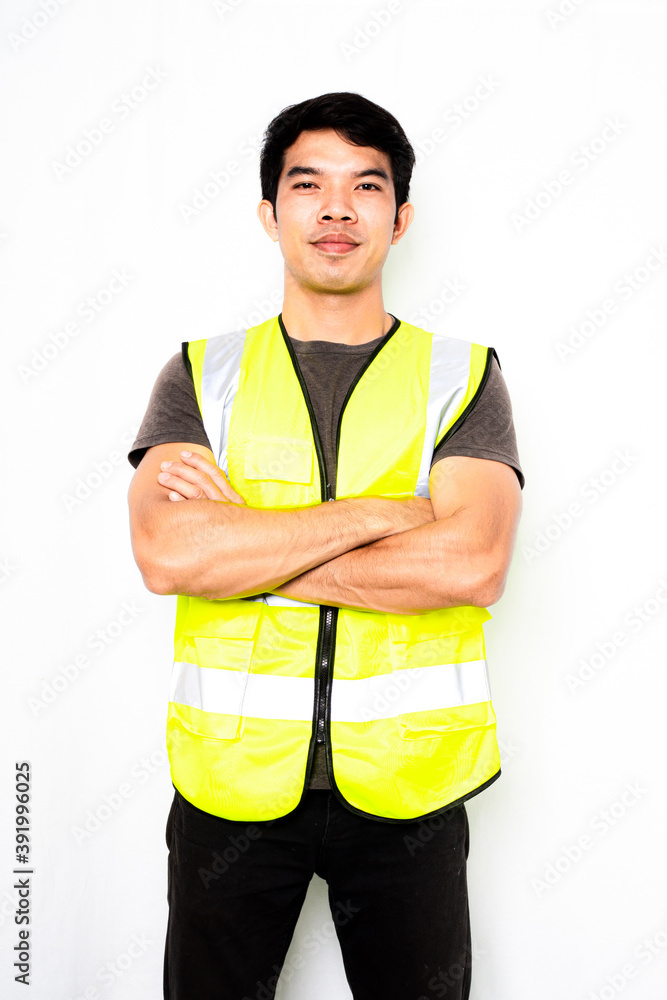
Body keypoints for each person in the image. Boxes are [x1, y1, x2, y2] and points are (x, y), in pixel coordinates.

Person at [127, 91, 524, 1000]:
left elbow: (472, 564)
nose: (336, 209)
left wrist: (252, 555)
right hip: (229, 788)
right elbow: (168, 557)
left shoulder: (462, 377)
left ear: (401, 215)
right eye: (307, 185)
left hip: (411, 791)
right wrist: (392, 510)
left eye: (365, 187)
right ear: (270, 215)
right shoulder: (199, 375)